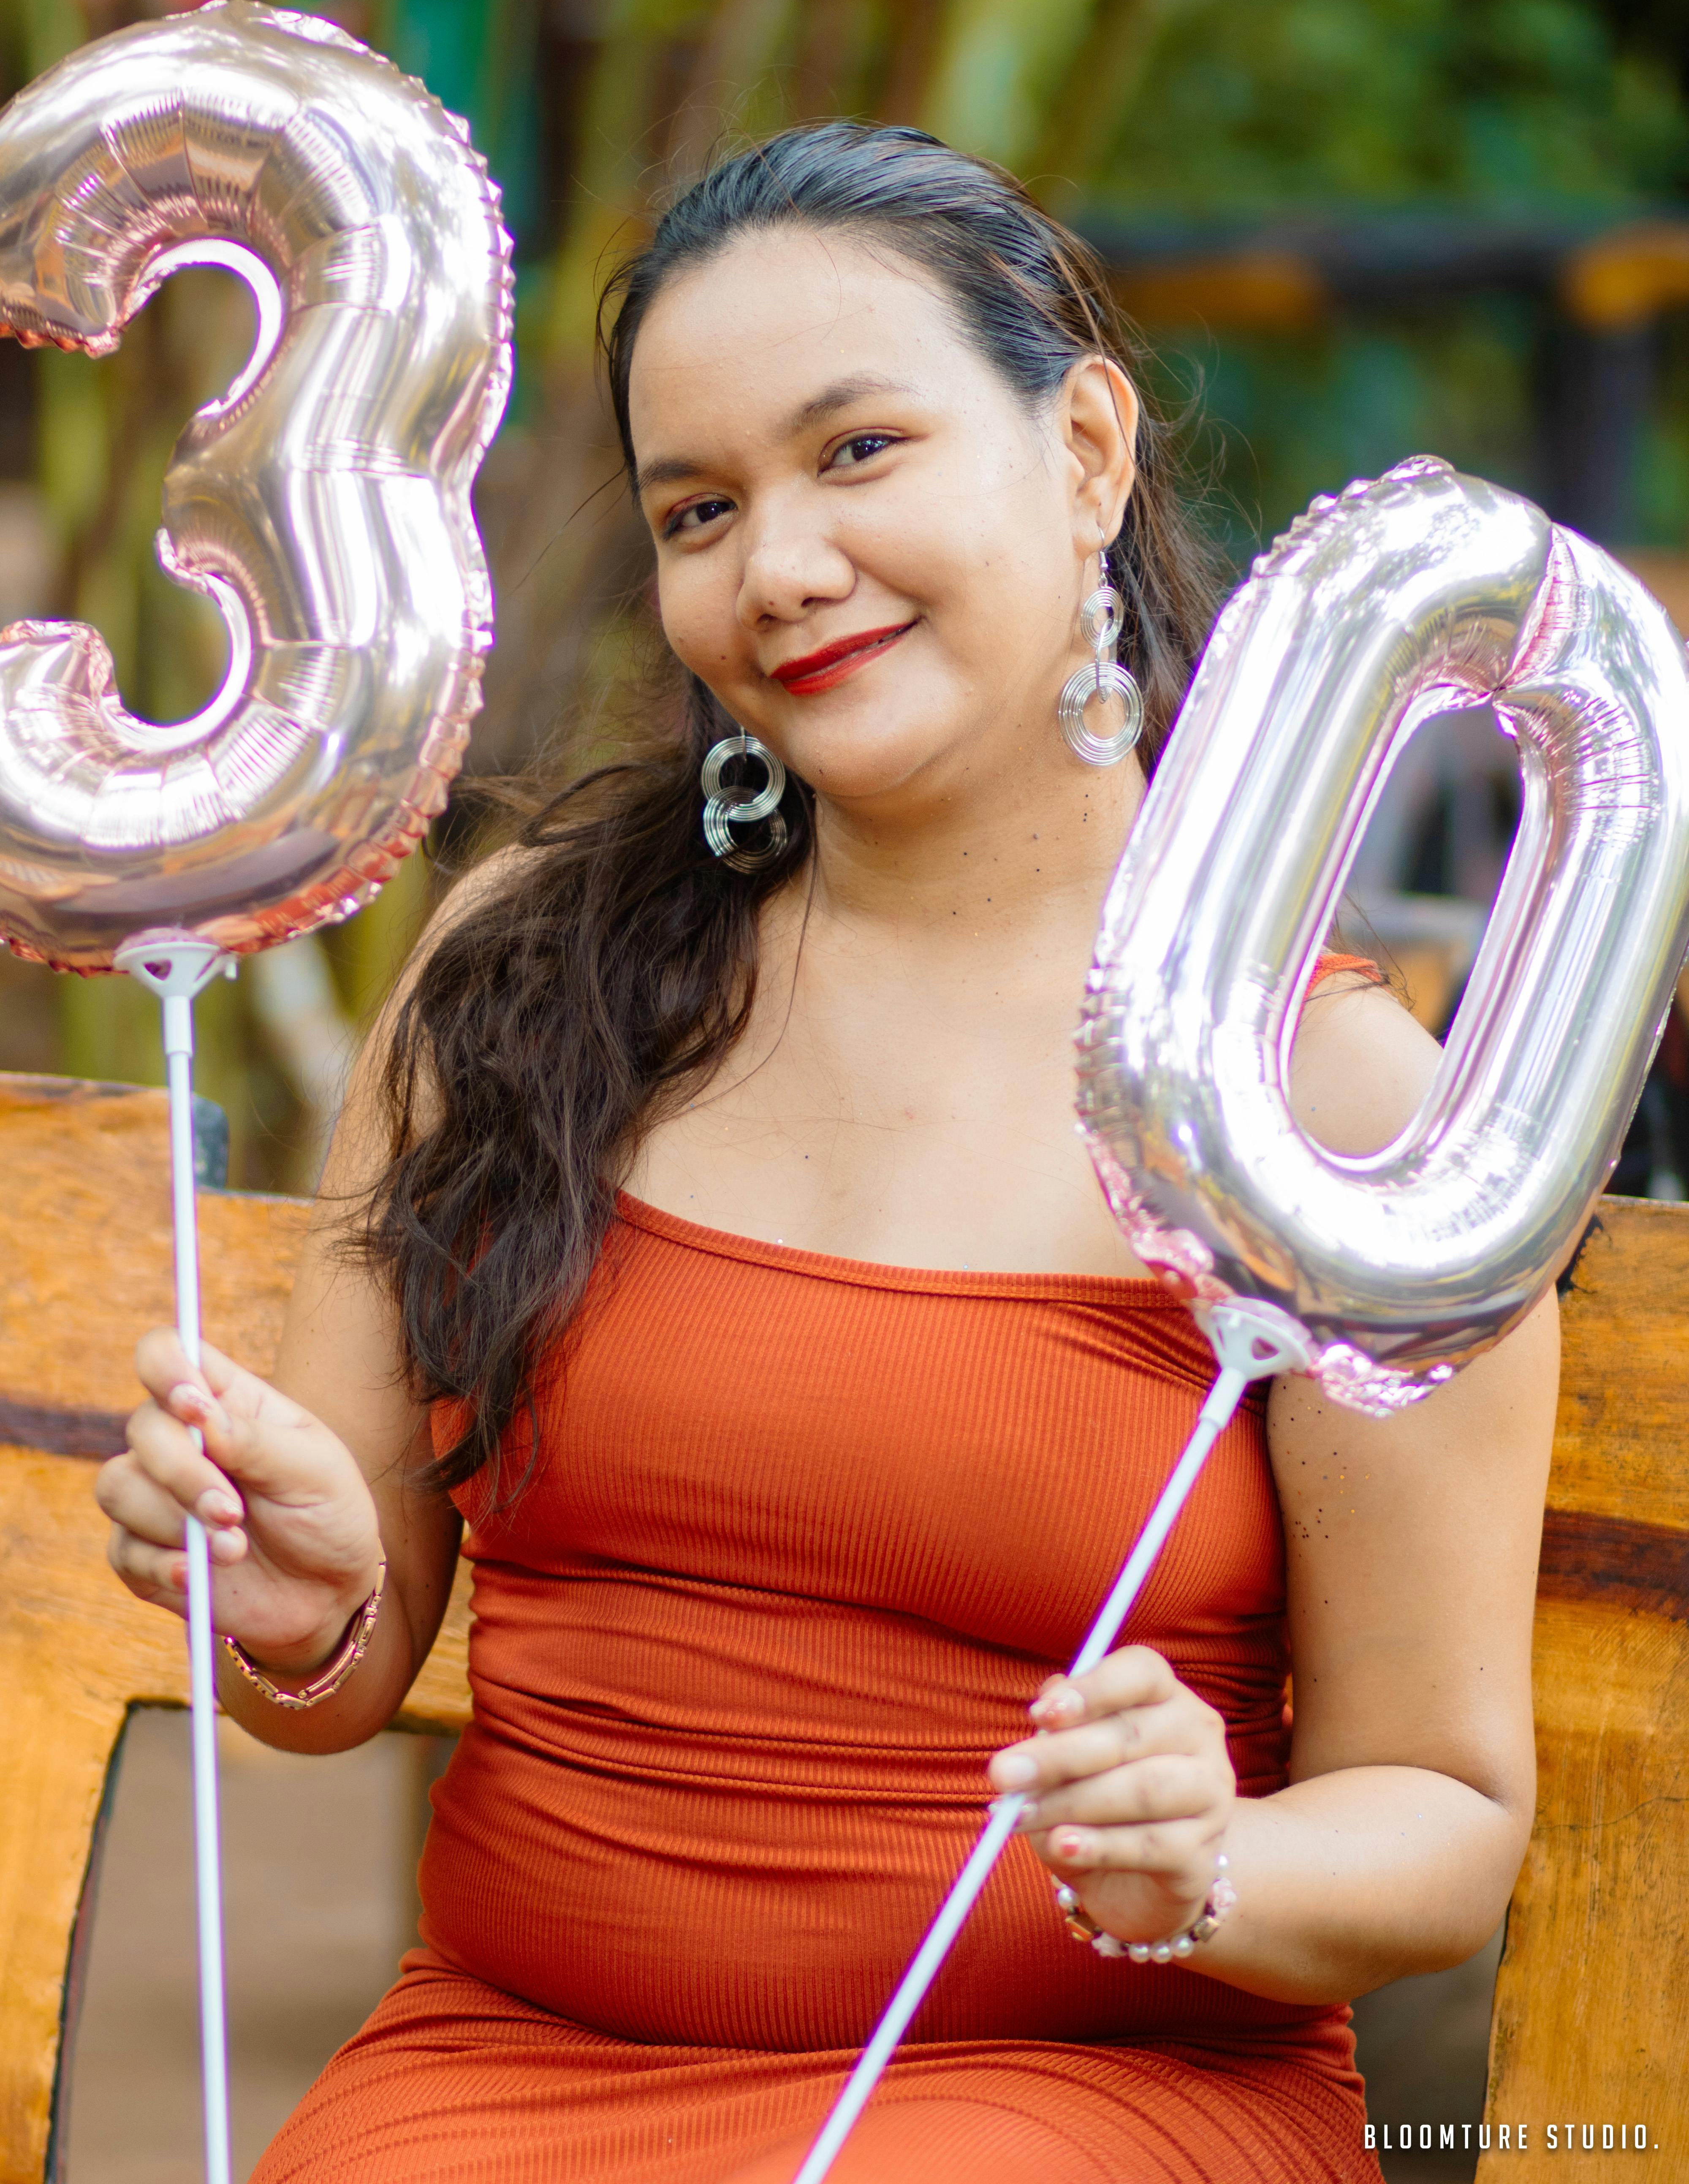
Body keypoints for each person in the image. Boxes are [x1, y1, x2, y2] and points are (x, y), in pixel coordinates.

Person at [96, 125, 1559, 2184]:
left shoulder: (1326, 1111)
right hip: (506, 2064)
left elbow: (1441, 1812)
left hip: (1077, 2101)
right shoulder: (525, 980)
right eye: (703, 507)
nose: (776, 565)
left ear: (1083, 448)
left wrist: (1210, 1854)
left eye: (857, 451)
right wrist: (293, 1597)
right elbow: (340, 1673)